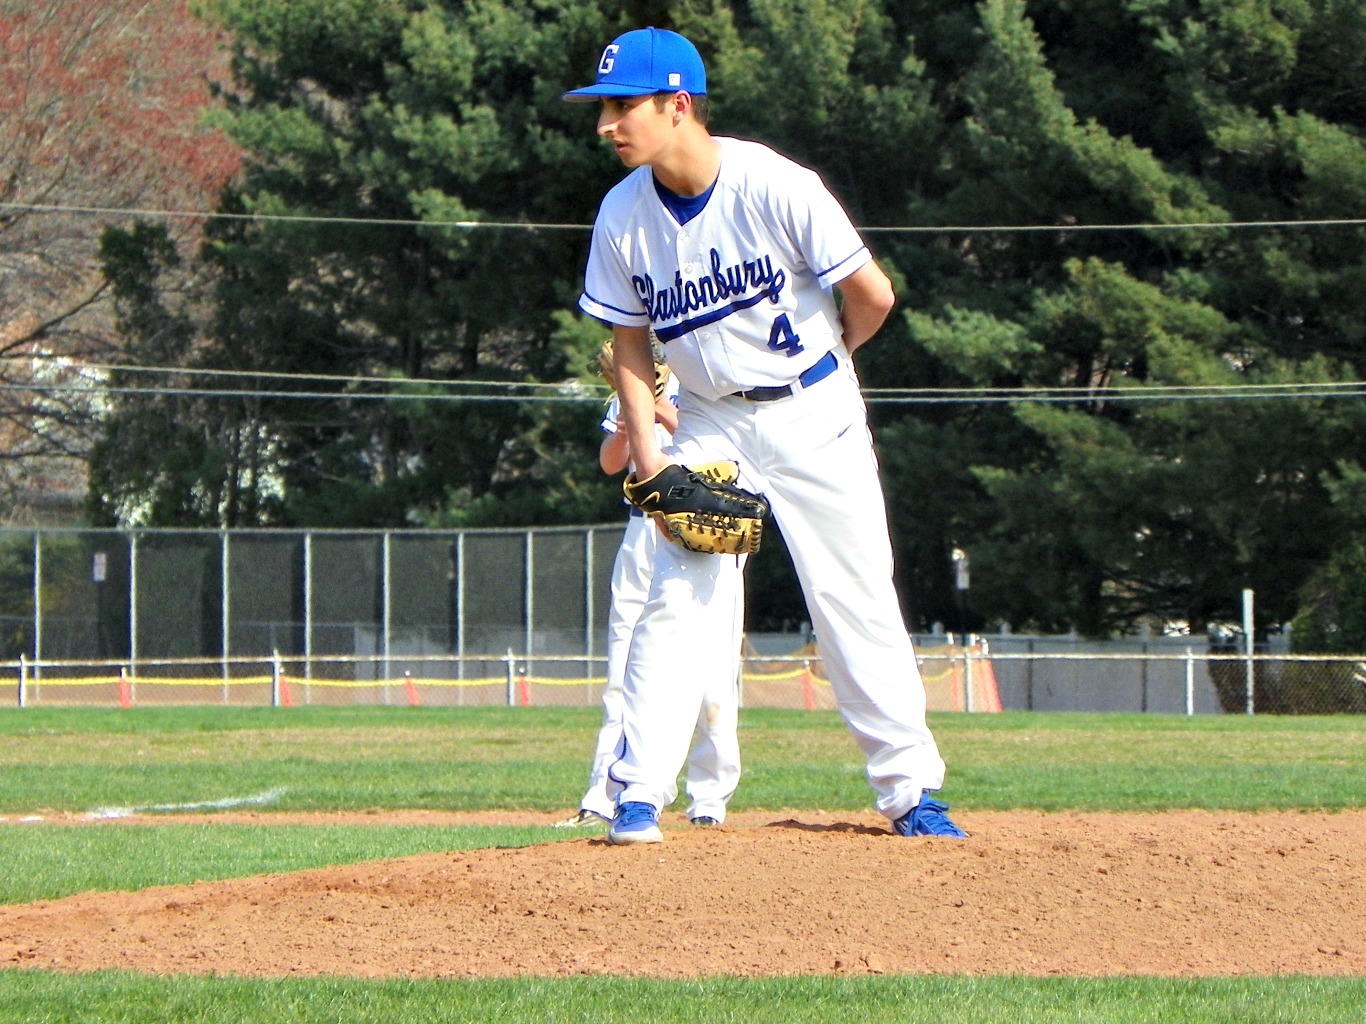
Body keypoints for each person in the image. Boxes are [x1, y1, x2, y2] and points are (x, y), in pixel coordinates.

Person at [563, 27, 966, 845]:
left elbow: (874, 296)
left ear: (678, 104)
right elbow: (631, 345)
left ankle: (909, 791)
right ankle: (637, 792)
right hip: (711, 417)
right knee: (676, 593)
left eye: (621, 106)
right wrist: (652, 463)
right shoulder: (622, 215)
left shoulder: (774, 184)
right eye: (603, 109)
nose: (606, 125)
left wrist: (825, 373)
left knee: (853, 598)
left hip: (815, 410)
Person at [556, 344, 742, 829]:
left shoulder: (710, 382)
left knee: (713, 671)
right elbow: (611, 463)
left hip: (702, 528)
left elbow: (712, 447)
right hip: (643, 529)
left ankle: (708, 801)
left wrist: (657, 404)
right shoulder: (634, 381)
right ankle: (604, 794)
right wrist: (626, 410)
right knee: (623, 664)